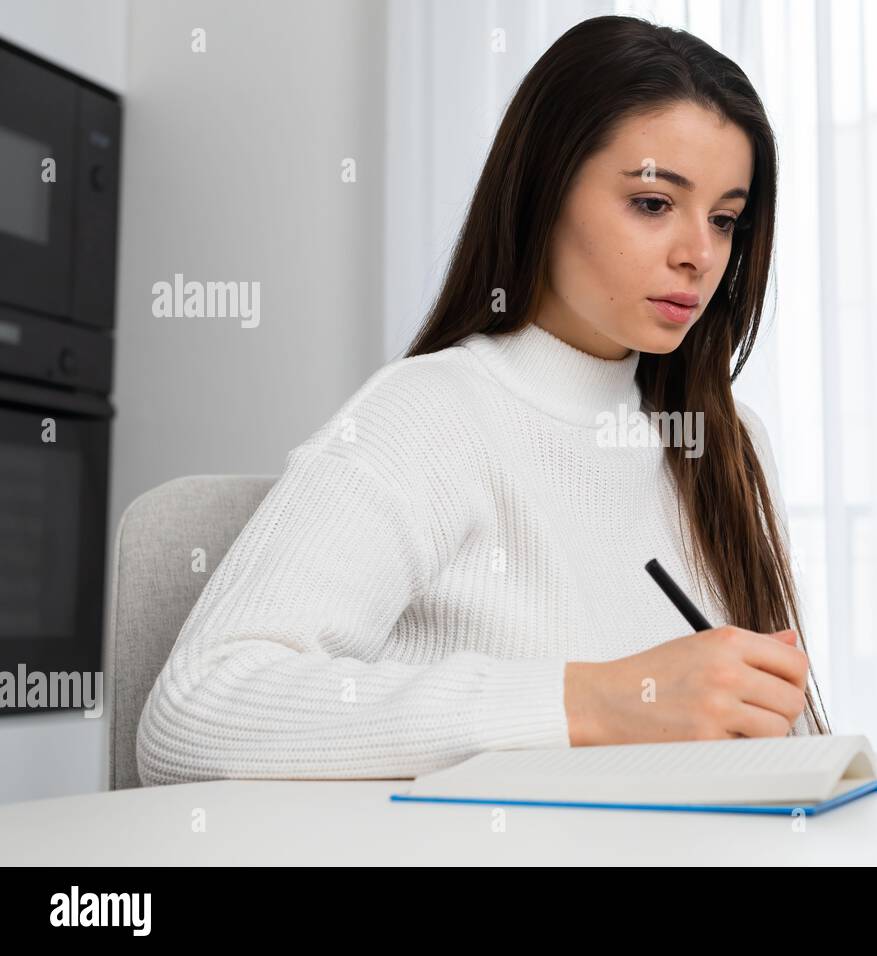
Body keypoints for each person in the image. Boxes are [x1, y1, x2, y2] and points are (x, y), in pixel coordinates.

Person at [136, 15, 830, 786]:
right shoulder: (428, 417)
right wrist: (592, 702)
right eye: (652, 203)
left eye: (725, 219)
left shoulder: (730, 445)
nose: (699, 254)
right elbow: (195, 714)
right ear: (544, 190)